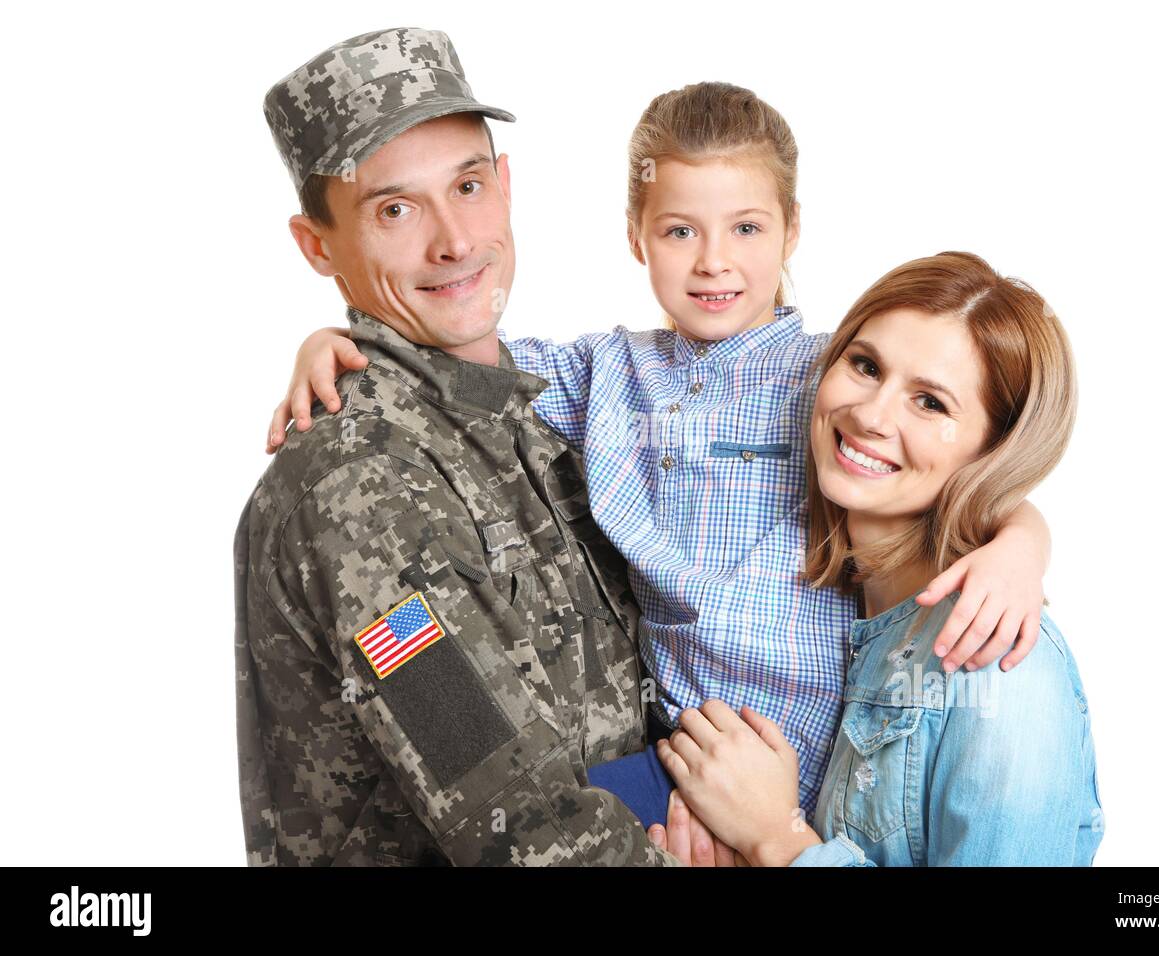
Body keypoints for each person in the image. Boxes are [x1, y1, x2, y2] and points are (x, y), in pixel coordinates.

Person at [263, 81, 1054, 824]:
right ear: (637, 237)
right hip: (674, 750)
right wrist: (339, 336)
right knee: (518, 812)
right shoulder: (604, 373)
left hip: (817, 746)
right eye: (680, 231)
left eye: (747, 228)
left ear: (793, 231)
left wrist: (1022, 544)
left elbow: (950, 465)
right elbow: (464, 367)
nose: (714, 262)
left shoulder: (833, 376)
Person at [236, 27, 685, 866]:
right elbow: (521, 827)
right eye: (395, 210)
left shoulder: (542, 418)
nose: (452, 241)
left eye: (468, 185)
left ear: (506, 186)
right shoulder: (356, 488)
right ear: (317, 245)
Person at [652, 252, 1104, 866]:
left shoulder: (996, 663)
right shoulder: (841, 610)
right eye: (865, 366)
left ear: (993, 452)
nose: (870, 415)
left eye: (931, 403)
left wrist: (777, 838)